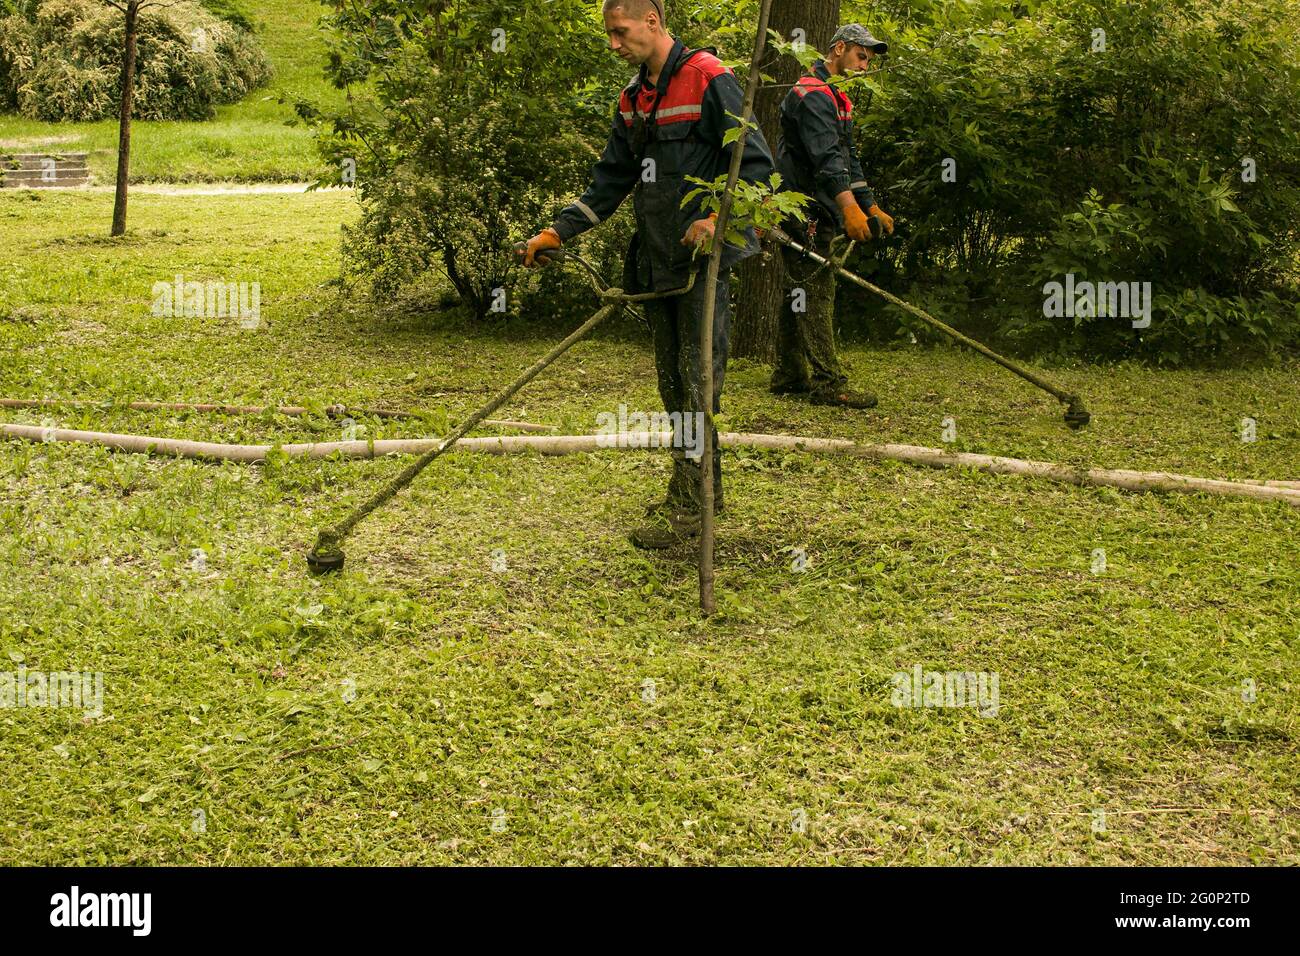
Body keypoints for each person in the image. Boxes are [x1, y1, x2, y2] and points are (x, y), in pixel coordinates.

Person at [521, 0, 775, 549]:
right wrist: (558, 231)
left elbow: (756, 165)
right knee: (672, 381)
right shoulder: (633, 99)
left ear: (652, 22)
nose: (614, 44)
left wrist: (715, 219)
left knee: (698, 379)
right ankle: (696, 488)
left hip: (704, 264)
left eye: (620, 32)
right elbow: (612, 177)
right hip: (658, 260)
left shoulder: (710, 79)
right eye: (610, 34)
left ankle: (693, 505)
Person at [771, 23, 895, 409]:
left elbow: (847, 156)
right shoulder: (812, 94)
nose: (864, 66)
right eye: (861, 57)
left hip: (818, 201)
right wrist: (849, 210)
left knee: (800, 286)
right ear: (838, 49)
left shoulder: (837, 97)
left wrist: (869, 204)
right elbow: (826, 161)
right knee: (815, 290)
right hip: (801, 204)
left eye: (868, 60)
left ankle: (789, 373)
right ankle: (828, 383)